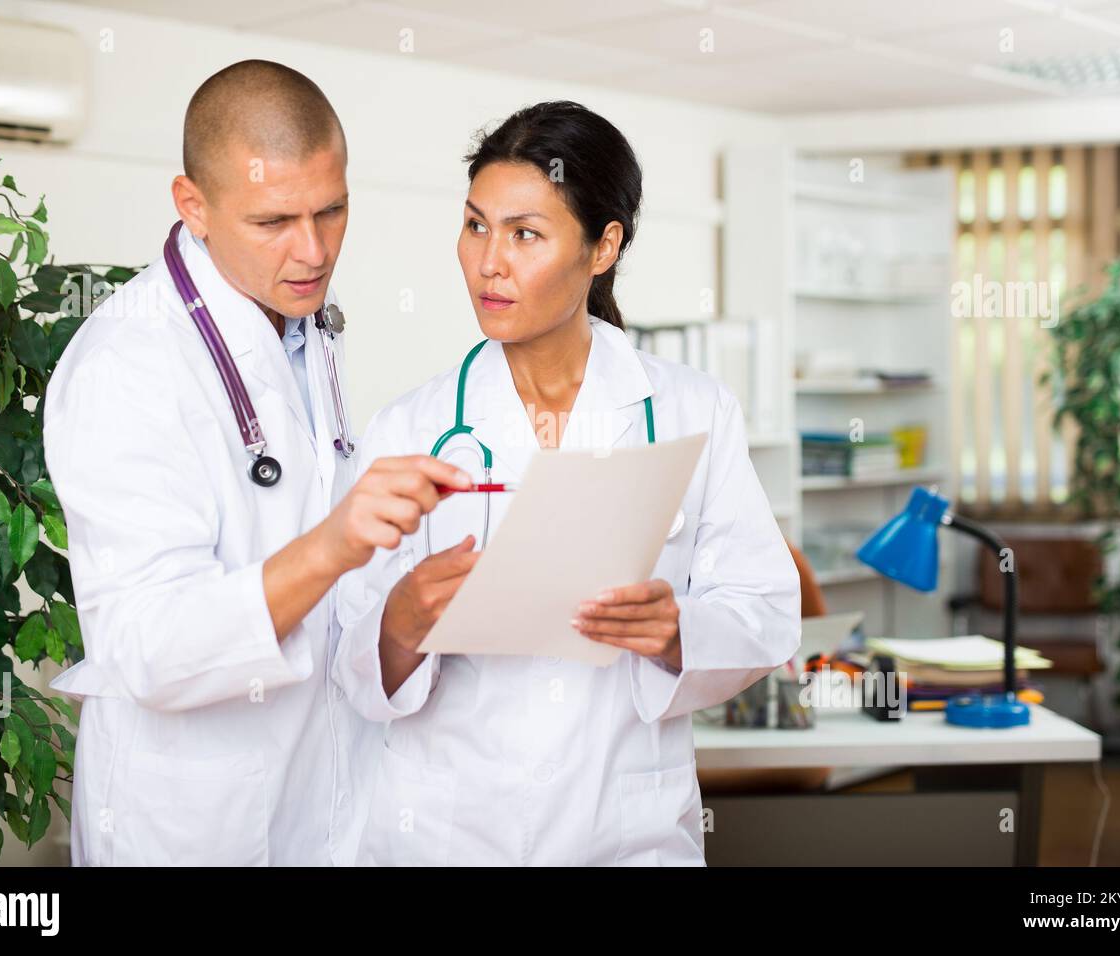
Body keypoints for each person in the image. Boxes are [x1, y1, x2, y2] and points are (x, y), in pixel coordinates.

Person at [334, 101, 801, 865]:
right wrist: (400, 624)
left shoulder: (692, 413)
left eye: (525, 234)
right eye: (476, 225)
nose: (489, 262)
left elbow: (768, 613)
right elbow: (346, 670)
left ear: (602, 247)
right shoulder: (409, 429)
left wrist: (679, 631)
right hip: (447, 834)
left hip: (624, 832)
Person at [43, 60, 469, 866]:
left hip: (323, 802)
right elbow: (148, 648)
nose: (313, 250)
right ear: (193, 206)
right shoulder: (127, 364)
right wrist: (332, 546)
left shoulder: (301, 324)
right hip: (193, 826)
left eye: (333, 211)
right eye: (274, 221)